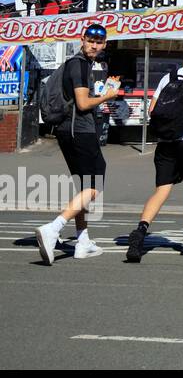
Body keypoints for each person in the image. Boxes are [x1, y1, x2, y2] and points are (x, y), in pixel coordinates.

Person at [33, 24, 119, 264]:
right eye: (90, 40)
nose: (94, 45)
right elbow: (82, 104)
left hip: (67, 131)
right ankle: (54, 228)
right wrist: (108, 96)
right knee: (95, 184)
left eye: (98, 42)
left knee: (84, 186)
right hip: (79, 131)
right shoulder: (79, 64)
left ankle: (82, 241)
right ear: (82, 40)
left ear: (104, 45)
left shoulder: (80, 64)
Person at [125, 46, 183, 262]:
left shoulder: (167, 78)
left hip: (166, 142)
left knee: (162, 190)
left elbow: (152, 110)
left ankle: (141, 231)